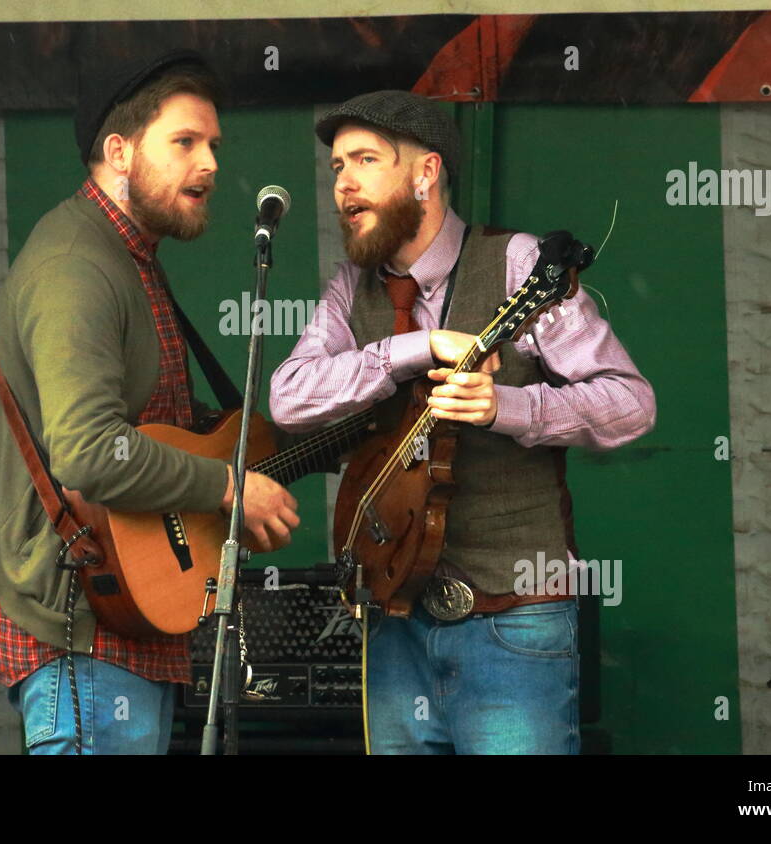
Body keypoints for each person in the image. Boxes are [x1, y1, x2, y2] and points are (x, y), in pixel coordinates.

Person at [268, 90, 655, 754]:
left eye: (366, 160)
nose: (345, 183)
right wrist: (413, 350)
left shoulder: (516, 265)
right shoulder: (350, 288)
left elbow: (630, 404)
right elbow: (289, 398)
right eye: (337, 167)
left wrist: (508, 407)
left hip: (514, 613)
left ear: (427, 173)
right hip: (392, 612)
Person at [0, 50, 300, 755]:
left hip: (118, 629)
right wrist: (226, 485)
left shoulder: (126, 256)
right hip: (80, 636)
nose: (210, 164)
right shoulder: (78, 268)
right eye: (185, 143)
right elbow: (88, 451)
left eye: (213, 144)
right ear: (118, 152)